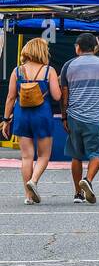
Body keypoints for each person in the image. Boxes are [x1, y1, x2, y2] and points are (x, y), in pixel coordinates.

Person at [58, 34, 99, 205]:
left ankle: (78, 193)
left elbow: (64, 93)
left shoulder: (68, 65)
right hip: (96, 118)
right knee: (97, 153)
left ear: (78, 47)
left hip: (74, 117)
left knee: (76, 155)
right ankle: (88, 179)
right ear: (95, 48)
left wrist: (64, 116)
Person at [2, 39, 62, 204]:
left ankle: (28, 196)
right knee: (43, 155)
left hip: (22, 114)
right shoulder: (48, 71)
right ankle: (33, 181)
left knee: (26, 157)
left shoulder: (17, 71)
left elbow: (10, 97)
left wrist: (6, 120)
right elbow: (57, 96)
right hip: (42, 114)